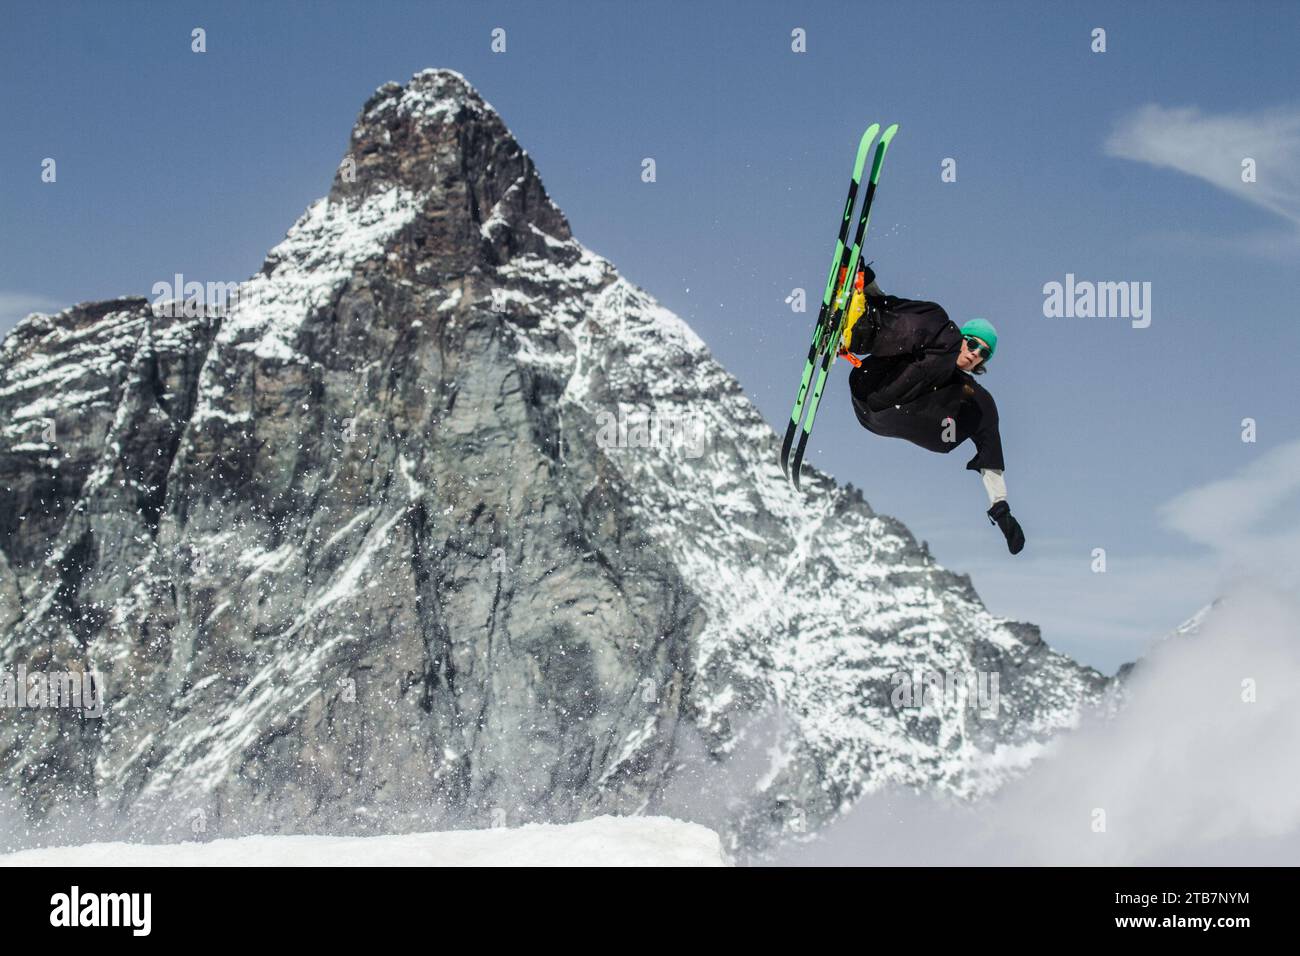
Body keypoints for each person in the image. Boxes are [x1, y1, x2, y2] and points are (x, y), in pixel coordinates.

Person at [839, 265, 1026, 554]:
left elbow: (991, 455)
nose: (975, 353)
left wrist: (1001, 509)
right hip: (871, 391)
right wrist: (869, 285)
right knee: (936, 321)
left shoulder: (978, 400)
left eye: (983, 353)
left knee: (973, 392)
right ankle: (857, 322)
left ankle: (857, 327)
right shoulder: (940, 342)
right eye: (973, 343)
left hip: (904, 414)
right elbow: (901, 321)